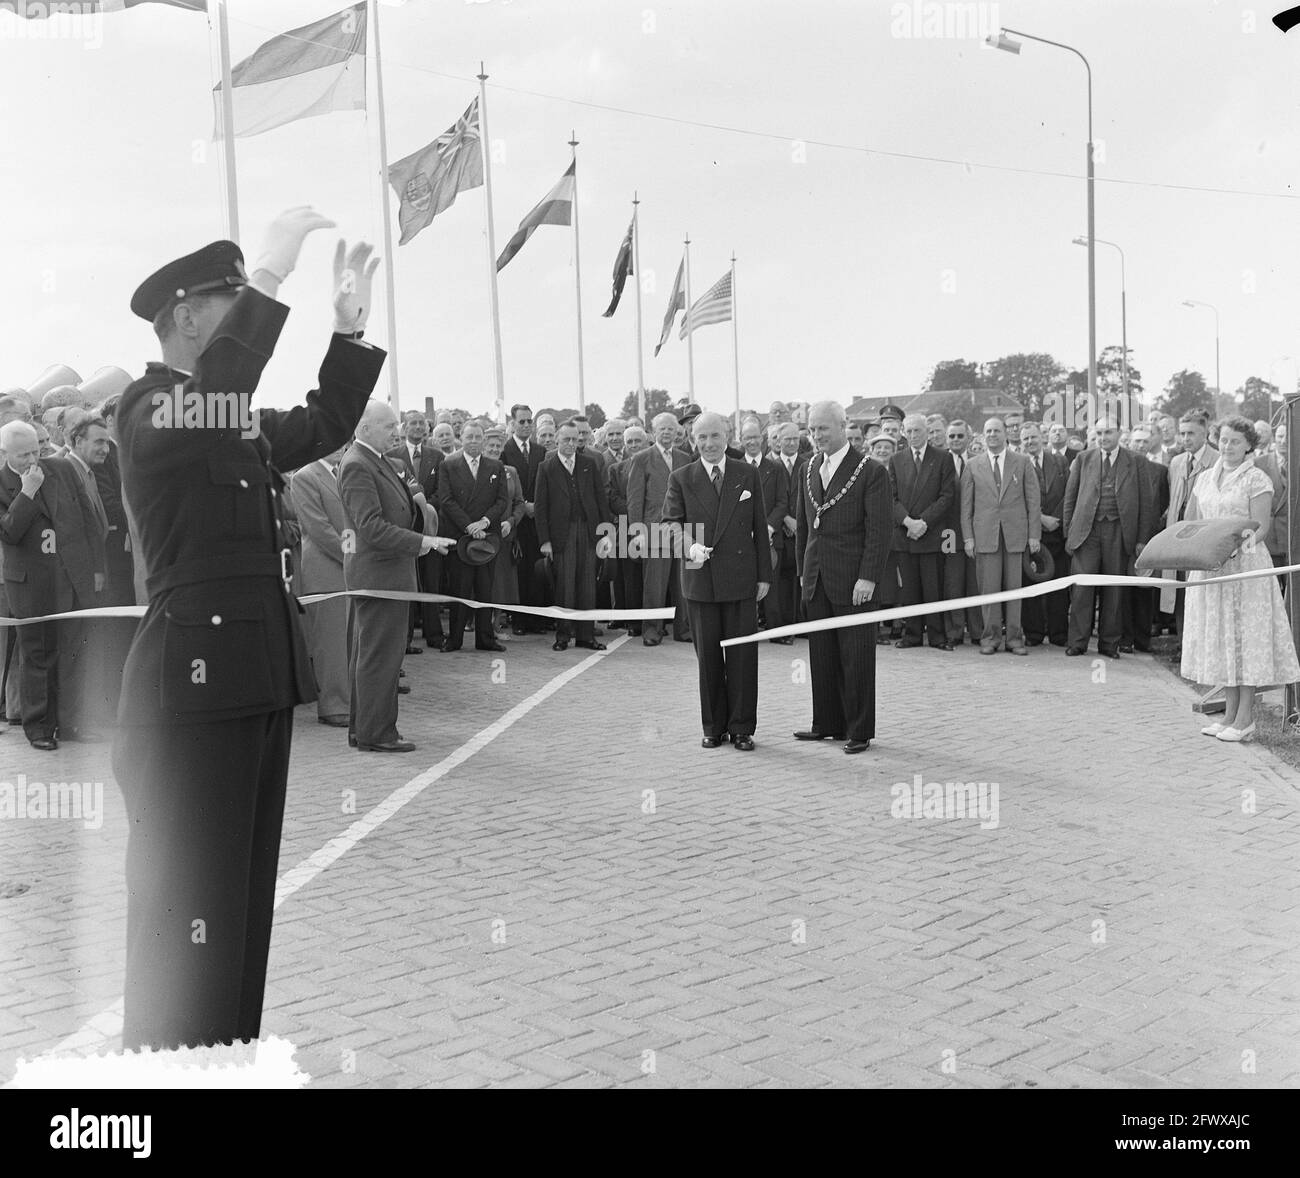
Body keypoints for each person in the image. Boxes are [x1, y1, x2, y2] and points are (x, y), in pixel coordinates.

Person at [111, 210, 385, 1050]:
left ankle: (222, 1057)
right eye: (231, 301)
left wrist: (349, 332)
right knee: (188, 902)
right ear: (188, 316)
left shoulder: (227, 418)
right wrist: (268, 278)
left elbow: (323, 425)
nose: (246, 314)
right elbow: (218, 393)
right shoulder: (147, 408)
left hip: (255, 676)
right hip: (190, 688)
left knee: (236, 902)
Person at [1181, 416, 1300, 741]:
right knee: (1222, 639)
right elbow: (1193, 522)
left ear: (1249, 444)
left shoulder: (1256, 478)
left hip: (1246, 568)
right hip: (1211, 569)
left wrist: (1235, 548)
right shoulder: (1204, 479)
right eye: (1224, 440)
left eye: (1235, 441)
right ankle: (1229, 715)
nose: (1228, 446)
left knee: (1245, 639)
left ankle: (1245, 719)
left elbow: (1261, 526)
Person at [662, 412, 771, 750]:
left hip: (740, 578)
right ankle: (713, 727)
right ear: (692, 440)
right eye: (702, 438)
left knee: (741, 656)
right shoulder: (682, 478)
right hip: (700, 578)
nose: (709, 444)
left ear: (727, 436)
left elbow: (759, 527)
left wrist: (764, 576)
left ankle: (742, 728)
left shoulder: (746, 473)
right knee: (707, 658)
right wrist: (688, 547)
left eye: (715, 436)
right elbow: (669, 524)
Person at [793, 401, 892, 754]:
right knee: (821, 654)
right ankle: (826, 723)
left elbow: (879, 532)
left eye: (824, 428)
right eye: (812, 429)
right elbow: (804, 528)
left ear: (842, 426)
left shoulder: (870, 472)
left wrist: (868, 578)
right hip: (817, 577)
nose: (817, 436)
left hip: (853, 581)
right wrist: (803, 574)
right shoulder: (808, 468)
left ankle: (859, 729)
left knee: (856, 655)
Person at [0, 419, 106, 748]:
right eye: (23, 456)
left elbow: (89, 518)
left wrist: (96, 568)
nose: (32, 461)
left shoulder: (61, 468)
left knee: (75, 653)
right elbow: (8, 532)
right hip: (30, 584)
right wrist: (28, 492)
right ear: (4, 453)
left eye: (37, 451)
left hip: (72, 577)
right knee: (38, 655)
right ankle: (39, 729)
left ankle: (73, 724)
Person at [1062, 417, 1153, 658]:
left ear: (1120, 433)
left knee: (1114, 591)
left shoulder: (1137, 462)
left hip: (1119, 531)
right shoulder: (1083, 459)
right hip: (1087, 533)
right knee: (1082, 589)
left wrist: (1142, 539)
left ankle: (1109, 644)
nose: (1104, 437)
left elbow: (1146, 503)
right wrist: (1069, 534)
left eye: (1109, 432)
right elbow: (1070, 498)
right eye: (1099, 433)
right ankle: (1078, 642)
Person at [960, 417, 1040, 655]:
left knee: (1015, 590)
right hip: (985, 535)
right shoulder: (973, 465)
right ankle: (991, 637)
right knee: (989, 590)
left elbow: (1033, 501)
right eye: (988, 431)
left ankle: (1015, 638)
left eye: (996, 431)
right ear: (983, 436)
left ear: (1006, 434)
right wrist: (968, 538)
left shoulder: (1022, 462)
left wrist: (1034, 535)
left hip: (1015, 535)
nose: (992, 435)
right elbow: (966, 506)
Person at [534, 420, 613, 651]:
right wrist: (545, 541)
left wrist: (606, 532)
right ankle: (563, 635)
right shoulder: (546, 467)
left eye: (575, 439)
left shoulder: (589, 464)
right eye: (566, 439)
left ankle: (586, 636)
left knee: (588, 585)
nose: (570, 444)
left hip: (588, 531)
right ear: (557, 440)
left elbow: (601, 500)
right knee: (565, 586)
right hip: (562, 534)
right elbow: (541, 508)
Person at [435, 419, 508, 652]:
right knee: (460, 589)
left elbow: (502, 500)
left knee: (485, 589)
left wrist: (484, 522)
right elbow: (446, 500)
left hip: (488, 537)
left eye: (478, 437)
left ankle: (485, 639)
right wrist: (469, 527)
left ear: (484, 440)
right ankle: (454, 639)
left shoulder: (495, 466)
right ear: (461, 438)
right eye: (470, 437)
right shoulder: (448, 464)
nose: (474, 441)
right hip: (460, 537)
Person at [291, 446, 351, 727]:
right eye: (336, 442)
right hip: (325, 570)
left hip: (348, 568)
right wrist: (353, 556)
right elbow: (318, 528)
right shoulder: (306, 477)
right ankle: (333, 706)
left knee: (347, 641)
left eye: (346, 442)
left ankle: (347, 700)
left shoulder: (343, 473)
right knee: (331, 643)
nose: (342, 448)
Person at [890, 412, 957, 650]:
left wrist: (923, 522)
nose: (912, 436)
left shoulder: (942, 458)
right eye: (907, 431)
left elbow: (947, 496)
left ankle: (938, 636)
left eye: (916, 430)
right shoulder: (897, 460)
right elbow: (891, 497)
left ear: (926, 432)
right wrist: (908, 522)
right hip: (905, 534)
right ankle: (912, 636)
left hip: (931, 533)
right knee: (909, 589)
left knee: (933, 587)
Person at [627, 411, 693, 645]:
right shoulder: (642, 458)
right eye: (662, 428)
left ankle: (683, 630)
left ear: (678, 432)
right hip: (653, 529)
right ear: (653, 432)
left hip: (682, 530)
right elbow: (635, 500)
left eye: (671, 428)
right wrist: (637, 534)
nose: (666, 432)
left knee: (683, 582)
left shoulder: (685, 458)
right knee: (654, 585)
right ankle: (652, 631)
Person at [736, 417, 789, 639]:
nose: (752, 442)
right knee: (743, 584)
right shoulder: (733, 466)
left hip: (769, 537)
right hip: (740, 538)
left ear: (763, 438)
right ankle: (745, 630)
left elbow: (782, 502)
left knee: (772, 585)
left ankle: (776, 631)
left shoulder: (775, 468)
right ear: (741, 440)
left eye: (755, 437)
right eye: (747, 438)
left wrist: (767, 527)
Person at [1020, 422, 1070, 647]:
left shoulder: (1059, 460)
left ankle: (1059, 634)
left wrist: (1055, 520)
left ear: (1042, 437)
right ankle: (1034, 634)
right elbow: (1017, 499)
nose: (1030, 442)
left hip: (1057, 532)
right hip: (1031, 534)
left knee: (1058, 586)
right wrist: (1041, 519)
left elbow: (1069, 492)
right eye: (1025, 439)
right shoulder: (1018, 464)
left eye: (1033, 437)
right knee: (1032, 586)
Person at [940, 420, 983, 646]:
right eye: (952, 436)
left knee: (975, 582)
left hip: (975, 531)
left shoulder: (977, 462)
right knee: (953, 582)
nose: (956, 440)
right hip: (949, 532)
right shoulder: (939, 461)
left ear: (968, 438)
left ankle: (977, 631)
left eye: (960, 436)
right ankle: (955, 631)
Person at [483, 427, 525, 622]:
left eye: (497, 446)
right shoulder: (478, 470)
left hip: (505, 535)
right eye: (490, 445)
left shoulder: (511, 472)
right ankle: (480, 623)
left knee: (502, 584)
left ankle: (497, 623)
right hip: (483, 536)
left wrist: (511, 521)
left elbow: (519, 502)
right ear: (483, 447)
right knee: (484, 583)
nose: (494, 449)